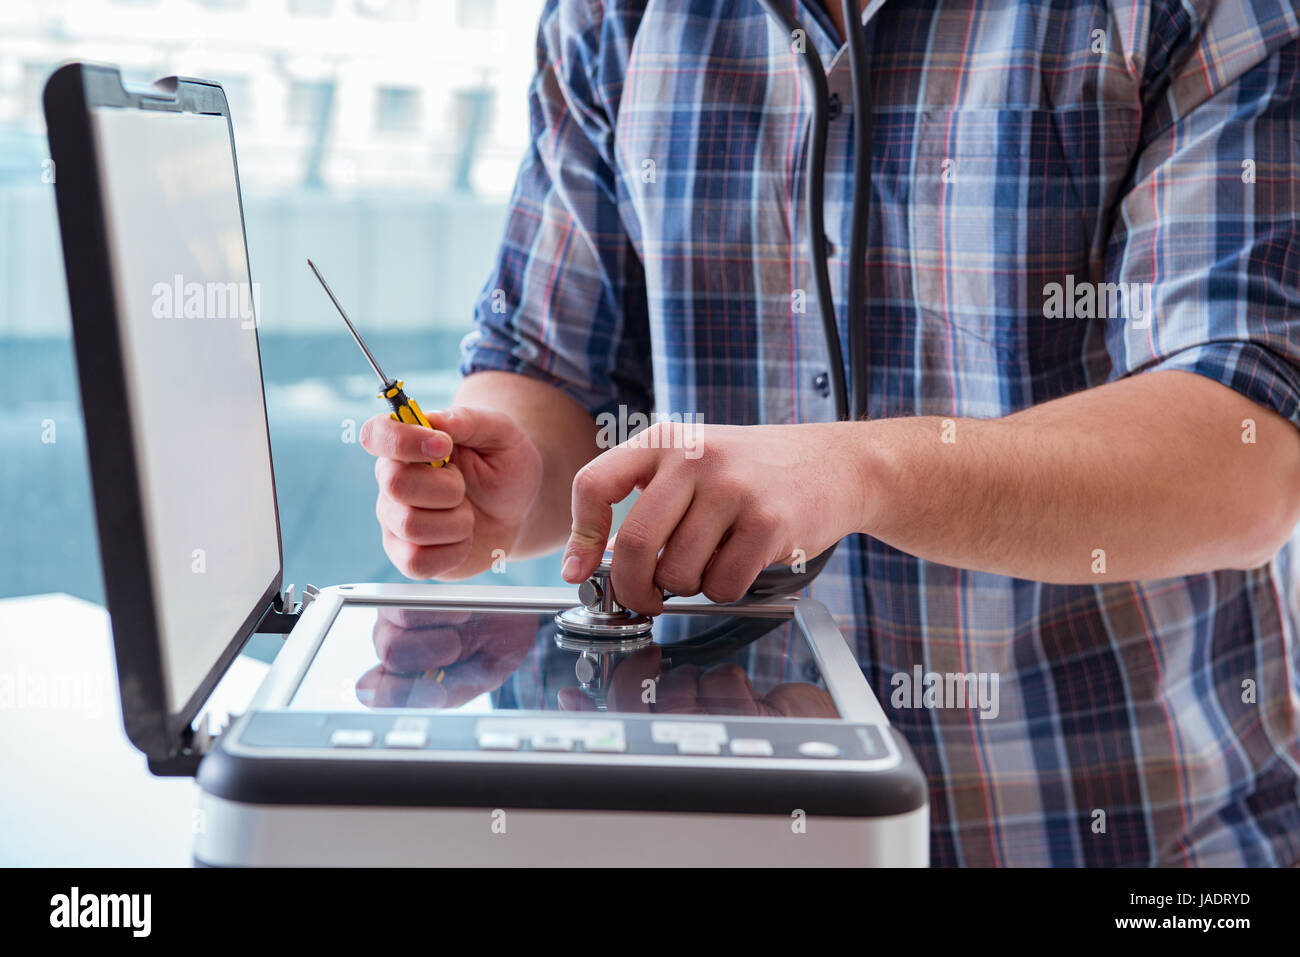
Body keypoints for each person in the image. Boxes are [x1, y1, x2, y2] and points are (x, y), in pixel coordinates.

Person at [360, 0, 1300, 866]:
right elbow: (546, 372)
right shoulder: (614, 16)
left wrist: (856, 470)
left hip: (1143, 844)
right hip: (735, 840)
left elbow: (1245, 446)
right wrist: (512, 490)